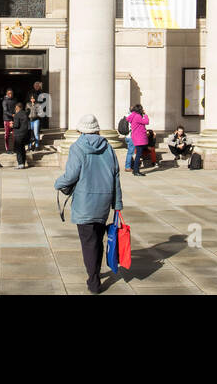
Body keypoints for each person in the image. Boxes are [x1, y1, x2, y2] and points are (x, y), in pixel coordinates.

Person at [53, 113, 123, 294]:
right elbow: (116, 176)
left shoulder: (78, 147)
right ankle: (95, 274)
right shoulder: (108, 147)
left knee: (88, 243)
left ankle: (93, 281)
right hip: (103, 202)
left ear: (80, 130)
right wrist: (117, 204)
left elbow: (71, 175)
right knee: (97, 240)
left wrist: (58, 184)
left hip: (84, 202)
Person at [125, 104, 150, 176]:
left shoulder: (133, 116)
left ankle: (135, 170)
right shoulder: (138, 116)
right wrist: (145, 115)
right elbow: (146, 122)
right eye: (141, 109)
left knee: (138, 154)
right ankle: (136, 171)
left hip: (136, 137)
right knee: (138, 155)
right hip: (139, 138)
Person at [29, 80, 50, 151]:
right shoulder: (30, 93)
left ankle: (37, 145)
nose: (36, 87)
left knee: (36, 131)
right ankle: (30, 146)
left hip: (38, 115)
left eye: (38, 86)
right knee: (31, 133)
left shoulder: (42, 93)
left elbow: (44, 103)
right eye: (35, 86)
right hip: (31, 117)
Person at [11, 102, 31, 169]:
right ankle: (23, 163)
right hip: (25, 134)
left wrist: (12, 125)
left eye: (15, 107)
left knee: (18, 150)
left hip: (18, 135)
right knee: (23, 149)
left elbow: (16, 125)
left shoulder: (17, 115)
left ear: (17, 107)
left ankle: (20, 163)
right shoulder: (25, 114)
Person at [1, 88, 16, 152]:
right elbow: (5, 111)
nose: (10, 94)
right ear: (7, 94)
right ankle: (7, 149)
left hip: (14, 120)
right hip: (7, 119)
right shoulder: (4, 101)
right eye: (9, 93)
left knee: (14, 135)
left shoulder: (15, 100)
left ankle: (15, 148)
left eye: (11, 93)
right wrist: (12, 115)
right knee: (7, 135)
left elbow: (16, 109)